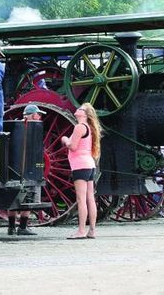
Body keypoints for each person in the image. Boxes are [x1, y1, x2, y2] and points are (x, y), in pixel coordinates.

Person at [61, 102, 101, 239]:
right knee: (90, 198)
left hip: (80, 165)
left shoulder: (79, 127)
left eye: (81, 109)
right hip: (89, 164)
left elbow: (72, 146)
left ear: (85, 114)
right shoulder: (89, 127)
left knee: (81, 199)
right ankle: (92, 231)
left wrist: (65, 139)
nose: (77, 109)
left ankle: (81, 231)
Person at [7, 104, 46, 235]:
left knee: (12, 198)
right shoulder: (34, 128)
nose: (39, 116)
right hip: (30, 170)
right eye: (38, 114)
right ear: (33, 114)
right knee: (30, 198)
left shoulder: (15, 126)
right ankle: (22, 227)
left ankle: (11, 227)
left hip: (15, 169)